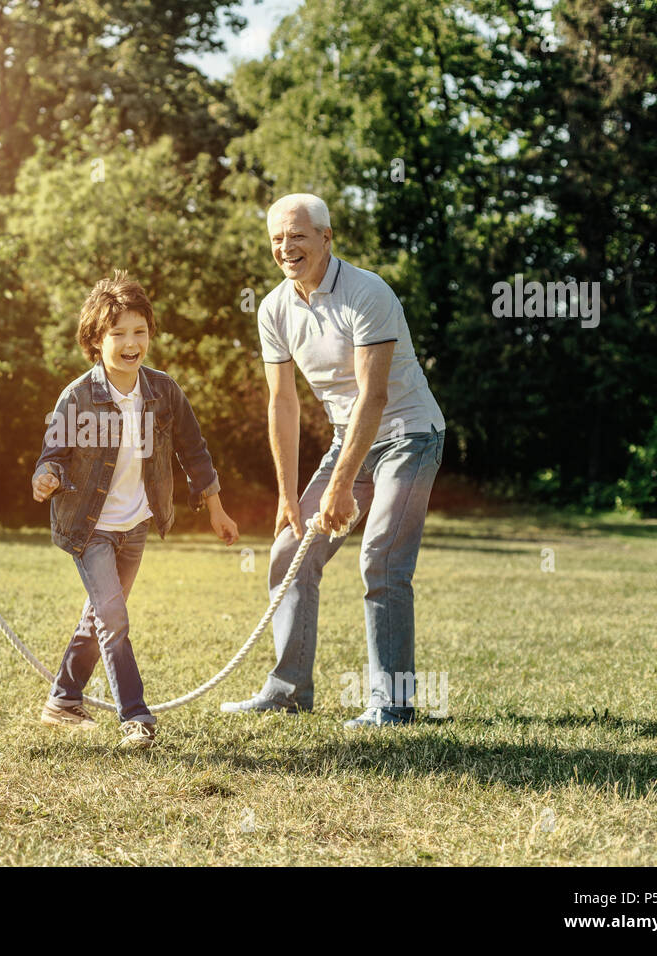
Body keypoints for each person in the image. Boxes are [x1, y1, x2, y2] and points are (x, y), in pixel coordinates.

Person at [221, 193, 445, 727]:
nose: (286, 247)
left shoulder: (368, 292)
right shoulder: (275, 308)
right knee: (288, 551)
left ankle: (393, 705)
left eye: (297, 235)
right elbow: (282, 402)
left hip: (409, 435)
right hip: (349, 439)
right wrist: (286, 494)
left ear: (326, 237)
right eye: (277, 238)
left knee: (382, 559)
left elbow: (373, 397)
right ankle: (288, 690)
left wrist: (342, 487)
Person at [31, 271, 239, 748]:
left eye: (139, 332)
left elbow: (194, 451)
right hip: (88, 527)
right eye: (118, 333)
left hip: (137, 525)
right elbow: (53, 456)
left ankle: (63, 701)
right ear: (95, 340)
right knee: (114, 617)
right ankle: (136, 718)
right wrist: (46, 478)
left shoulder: (164, 392)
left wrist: (216, 509)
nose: (131, 343)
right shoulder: (77, 396)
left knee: (101, 616)